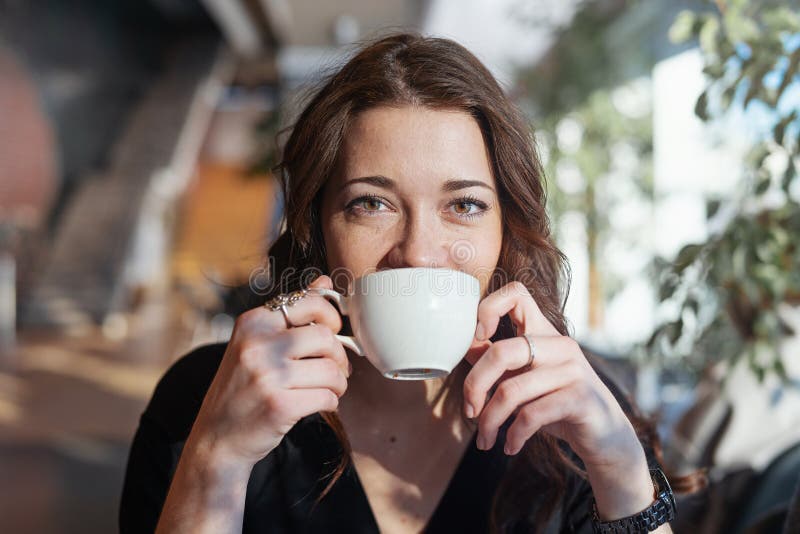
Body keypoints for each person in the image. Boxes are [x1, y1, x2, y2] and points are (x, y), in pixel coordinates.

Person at [119, 33, 700, 533]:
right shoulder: (205, 399)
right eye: (371, 203)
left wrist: (620, 466)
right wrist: (216, 459)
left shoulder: (566, 411)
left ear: (508, 227)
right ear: (319, 227)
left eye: (465, 205)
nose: (419, 251)